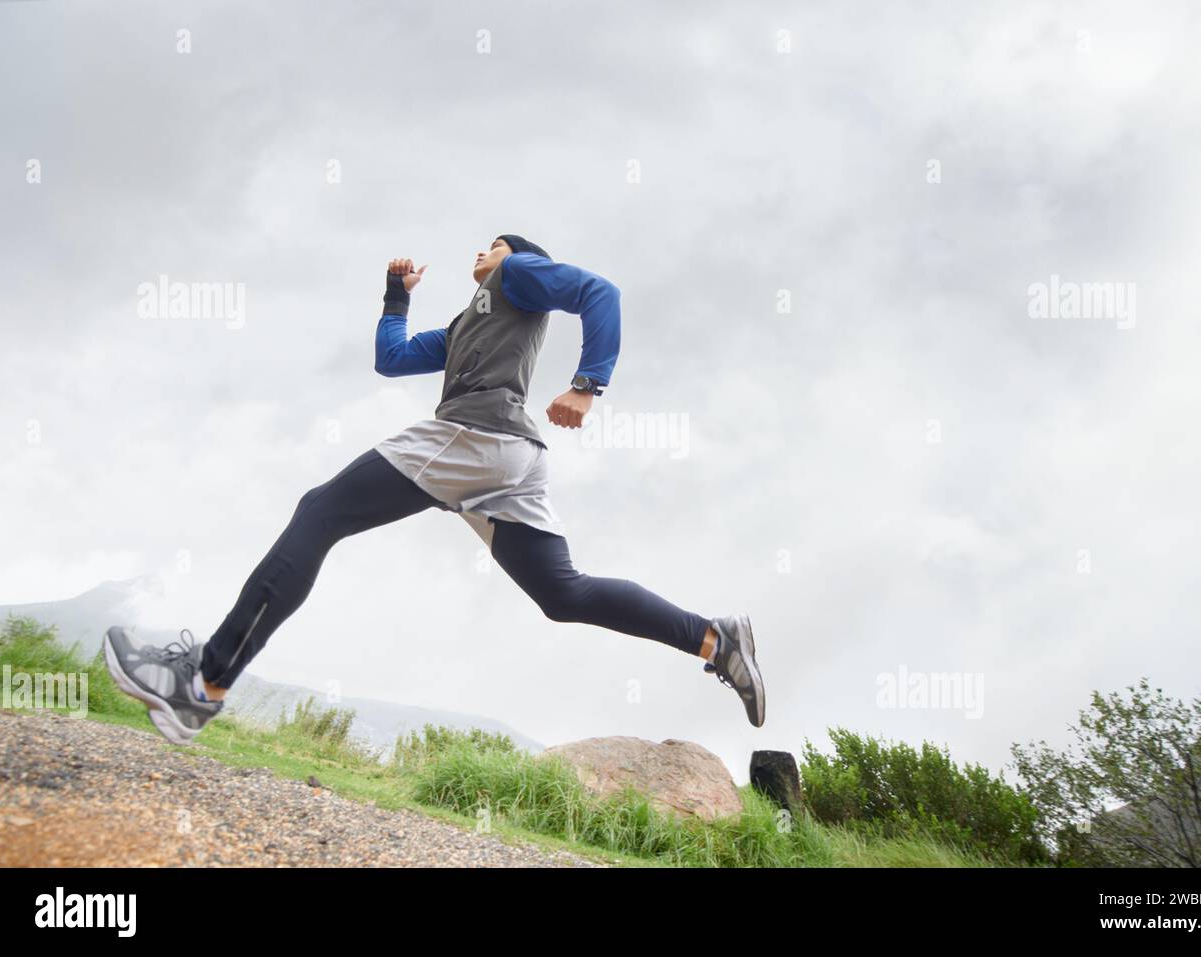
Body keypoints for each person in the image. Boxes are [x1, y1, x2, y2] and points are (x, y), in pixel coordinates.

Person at [103, 235, 765, 746]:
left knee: (321, 510)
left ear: (518, 259)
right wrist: (396, 298)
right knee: (563, 593)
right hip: (509, 458)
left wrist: (589, 384)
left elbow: (603, 291)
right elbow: (390, 357)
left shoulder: (517, 276)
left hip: (478, 435)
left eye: (496, 243)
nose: (484, 251)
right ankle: (716, 640)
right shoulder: (468, 322)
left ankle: (204, 680)